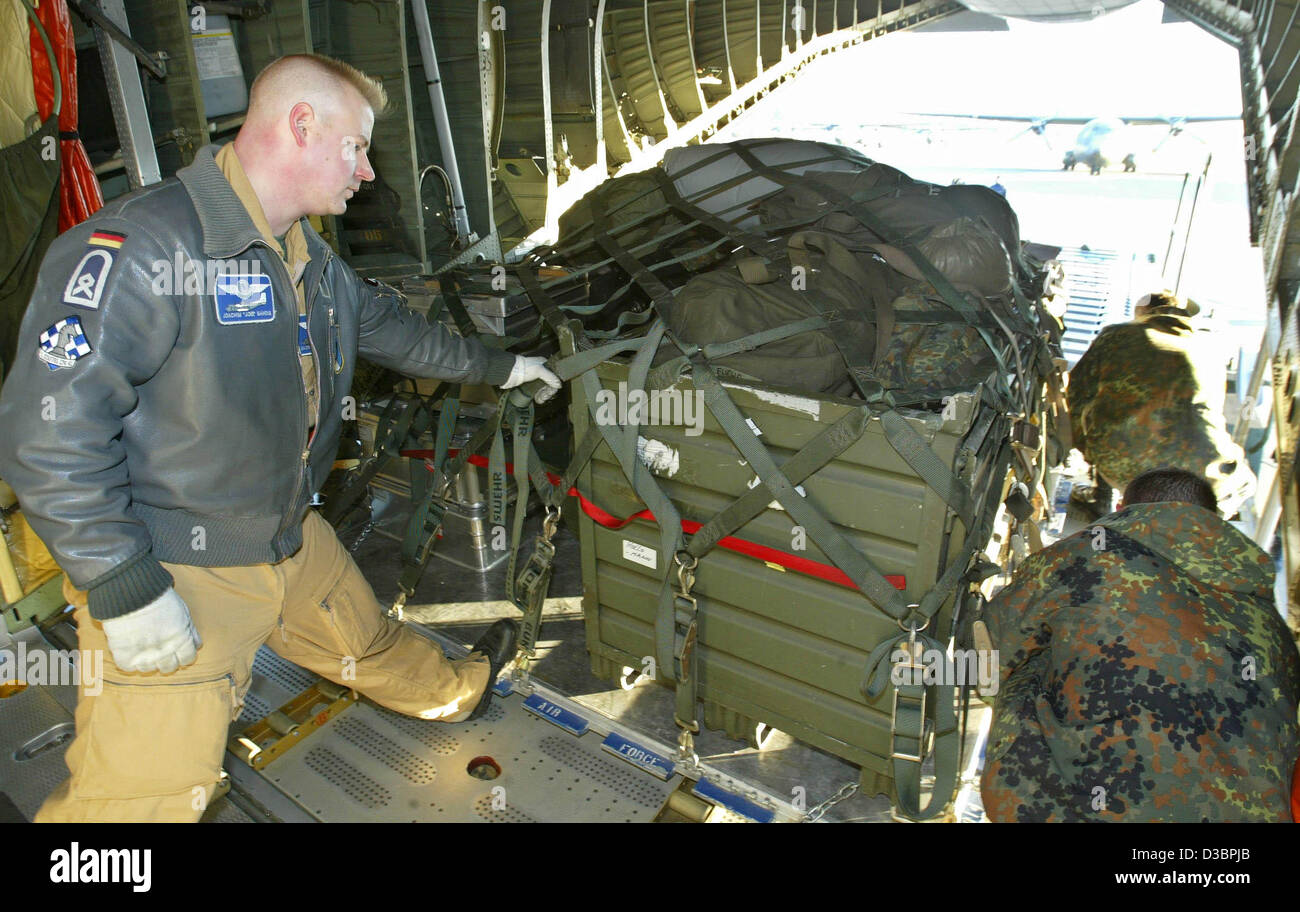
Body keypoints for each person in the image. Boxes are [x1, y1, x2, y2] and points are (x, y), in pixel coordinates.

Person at [0, 53, 560, 822]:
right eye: (357, 147)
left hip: (286, 535)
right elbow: (45, 428)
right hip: (179, 571)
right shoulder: (146, 248)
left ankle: (457, 690)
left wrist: (504, 367)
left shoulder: (307, 258)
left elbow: (392, 329)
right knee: (138, 804)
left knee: (367, 642)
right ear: (302, 126)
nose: (366, 173)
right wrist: (124, 586)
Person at [979, 467, 1300, 822]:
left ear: (1120, 508)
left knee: (1029, 659)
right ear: (1214, 520)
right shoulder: (1272, 624)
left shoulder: (1090, 554)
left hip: (1073, 811)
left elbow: (990, 651)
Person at [1067, 291, 1255, 518]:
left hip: (1120, 464)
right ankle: (1206, 522)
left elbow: (1077, 395)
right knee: (1246, 483)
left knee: (1109, 422)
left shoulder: (1116, 334)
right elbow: (1212, 412)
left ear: (1143, 313)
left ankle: (1101, 497)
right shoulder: (1211, 350)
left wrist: (1086, 451)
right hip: (1198, 475)